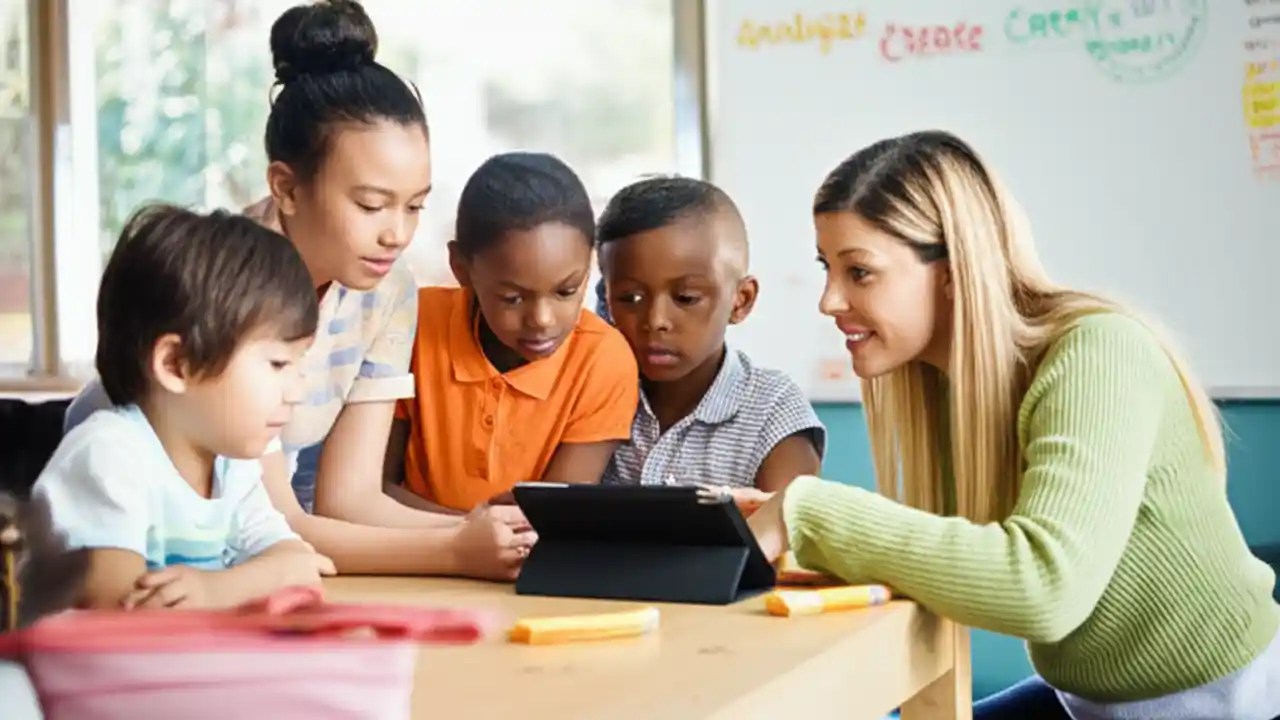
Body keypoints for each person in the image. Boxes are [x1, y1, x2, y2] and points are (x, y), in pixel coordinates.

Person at [746, 130, 1280, 719]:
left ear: (951, 271)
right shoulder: (949, 383)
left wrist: (809, 511)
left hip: (1218, 706)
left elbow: (1044, 587)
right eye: (827, 268)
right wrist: (784, 538)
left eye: (859, 272)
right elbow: (944, 562)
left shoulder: (1099, 352)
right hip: (1087, 703)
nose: (829, 300)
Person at [64, 0, 532, 580]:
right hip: (146, 529)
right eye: (370, 204)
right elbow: (277, 521)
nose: (398, 233)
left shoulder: (386, 288)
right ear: (287, 188)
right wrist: (455, 552)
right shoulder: (223, 285)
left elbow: (349, 498)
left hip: (235, 542)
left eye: (415, 205)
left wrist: (476, 528)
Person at [35, 206, 334, 610]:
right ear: (177, 365)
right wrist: (256, 580)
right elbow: (127, 608)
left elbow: (297, 563)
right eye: (278, 364)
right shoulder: (108, 454)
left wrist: (217, 591)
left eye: (300, 364)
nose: (296, 390)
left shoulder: (232, 468)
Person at [384, 152, 638, 513]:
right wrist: (466, 537)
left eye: (567, 291)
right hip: (406, 558)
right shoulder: (412, 324)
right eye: (513, 298)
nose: (543, 319)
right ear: (461, 268)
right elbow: (370, 487)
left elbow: (550, 519)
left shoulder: (602, 362)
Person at [594, 176, 825, 506]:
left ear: (740, 300)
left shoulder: (772, 409)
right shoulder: (590, 394)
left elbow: (789, 539)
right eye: (629, 297)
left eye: (686, 298)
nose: (655, 321)